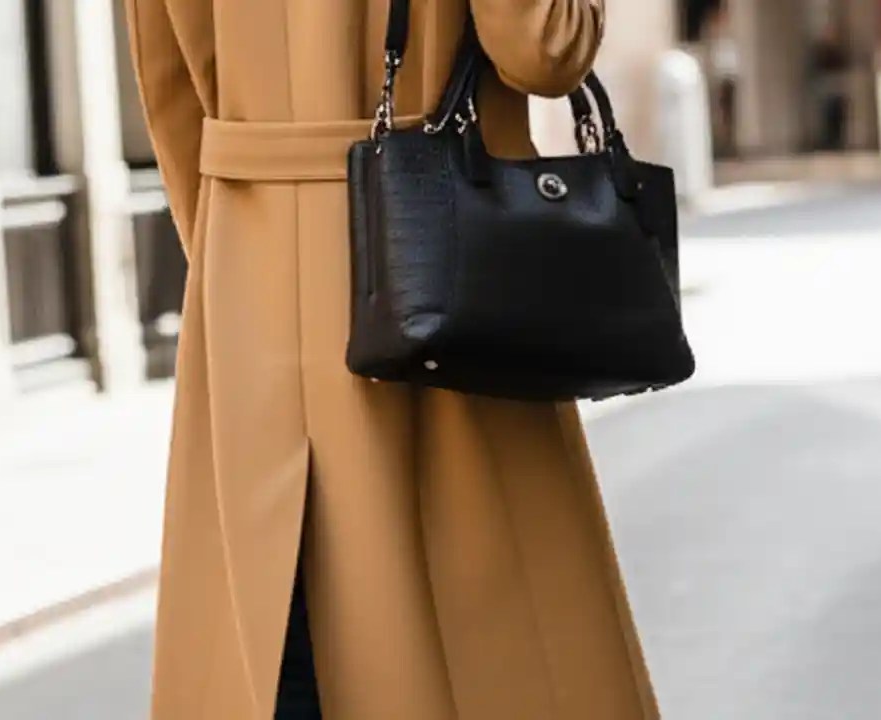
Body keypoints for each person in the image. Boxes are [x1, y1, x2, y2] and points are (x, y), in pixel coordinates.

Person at [124, 0, 659, 717]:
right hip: (436, 265)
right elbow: (543, 47)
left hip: (251, 290)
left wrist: (241, 273)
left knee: (272, 637)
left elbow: (169, 91)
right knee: (475, 646)